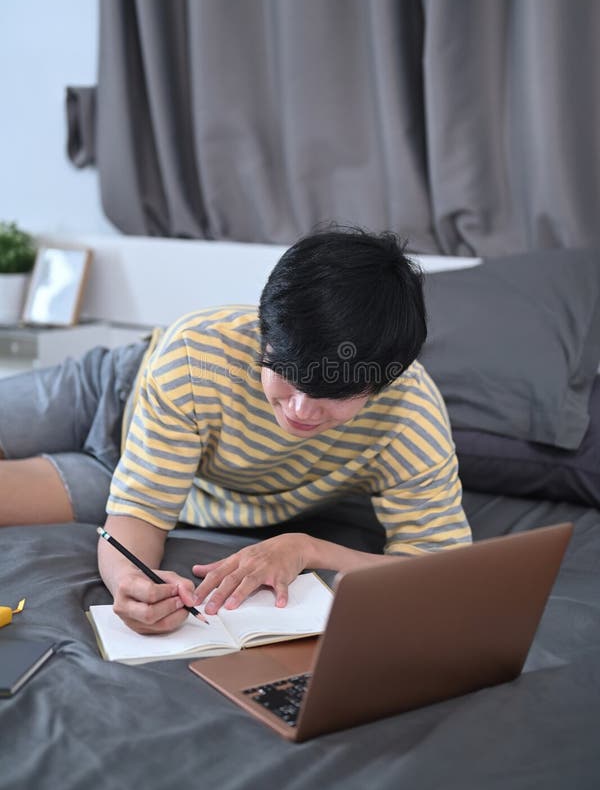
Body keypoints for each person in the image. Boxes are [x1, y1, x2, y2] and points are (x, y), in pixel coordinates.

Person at [0, 228, 471, 634]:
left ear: (382, 383)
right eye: (286, 374)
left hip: (134, 474)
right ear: (266, 334)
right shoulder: (197, 351)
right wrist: (130, 582)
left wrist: (305, 548)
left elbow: (439, 570)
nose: (302, 410)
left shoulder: (409, 417)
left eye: (335, 394)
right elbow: (141, 510)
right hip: (112, 390)